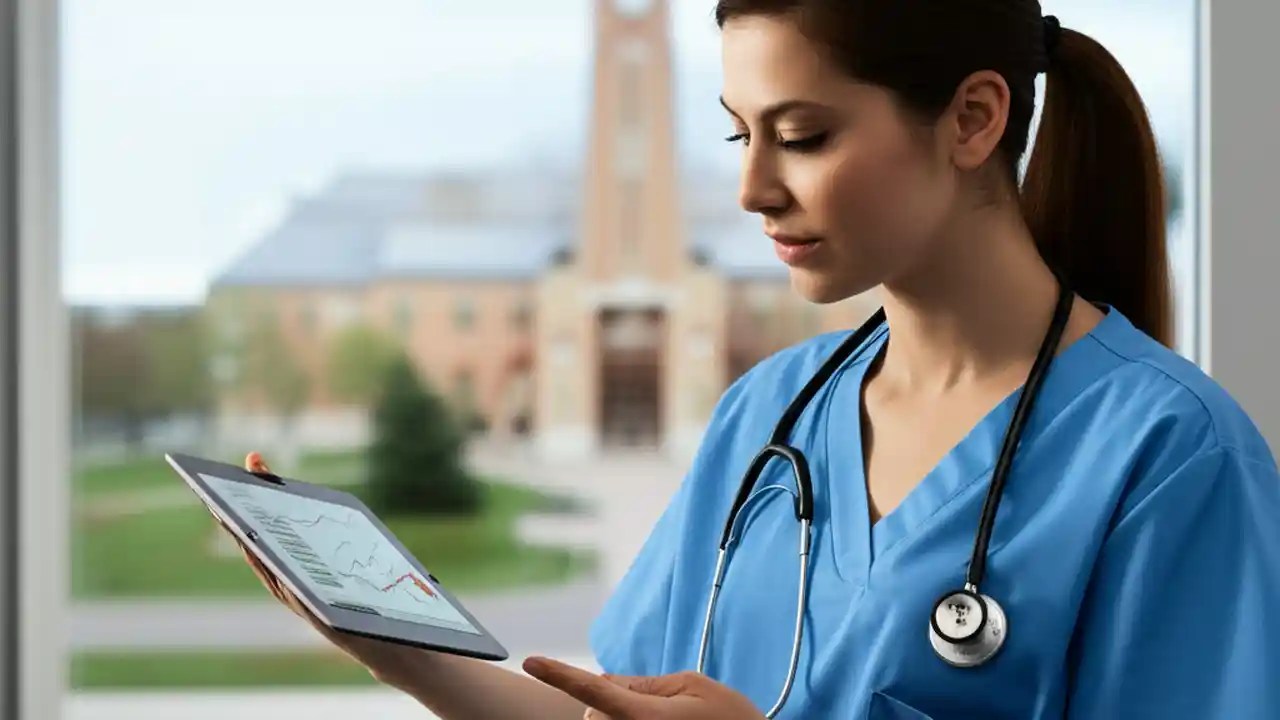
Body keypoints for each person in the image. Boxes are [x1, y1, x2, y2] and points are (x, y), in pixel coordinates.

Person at [218, 0, 1280, 717]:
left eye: (804, 135)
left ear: (970, 118)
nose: (751, 190)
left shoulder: (1168, 458)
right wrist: (395, 646)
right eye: (739, 136)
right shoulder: (766, 415)